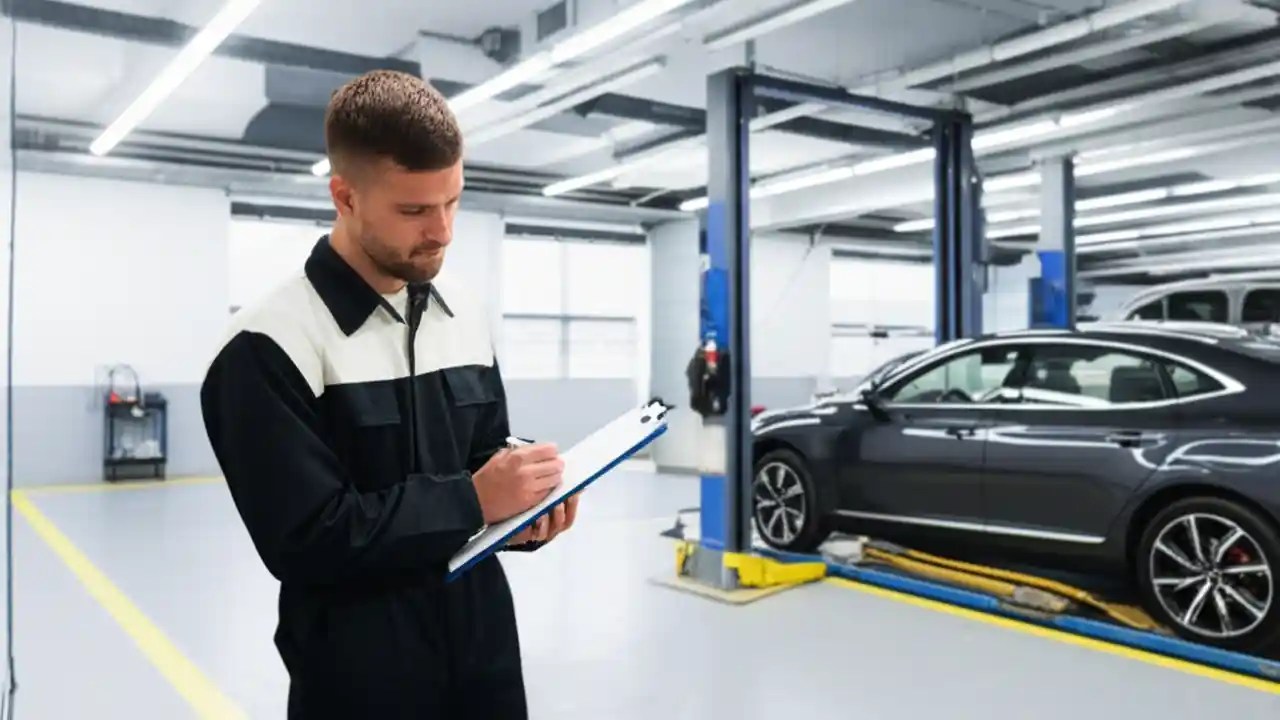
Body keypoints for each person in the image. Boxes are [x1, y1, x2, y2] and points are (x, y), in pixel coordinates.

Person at [199, 69, 578, 719]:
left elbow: (483, 453)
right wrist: (473, 500)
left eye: (453, 201)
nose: (443, 230)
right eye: (414, 211)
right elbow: (307, 539)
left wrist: (527, 505)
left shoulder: (464, 311)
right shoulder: (267, 345)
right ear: (344, 196)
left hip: (484, 664)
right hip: (361, 684)